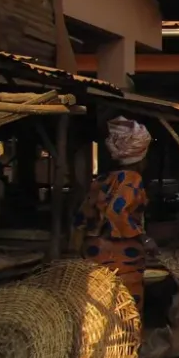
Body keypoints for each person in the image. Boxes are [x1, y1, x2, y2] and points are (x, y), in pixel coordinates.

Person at [73, 117, 155, 312]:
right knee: (126, 308)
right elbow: (116, 212)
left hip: (94, 253)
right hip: (120, 257)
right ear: (141, 157)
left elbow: (81, 216)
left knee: (101, 308)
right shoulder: (132, 179)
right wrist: (144, 239)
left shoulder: (103, 179)